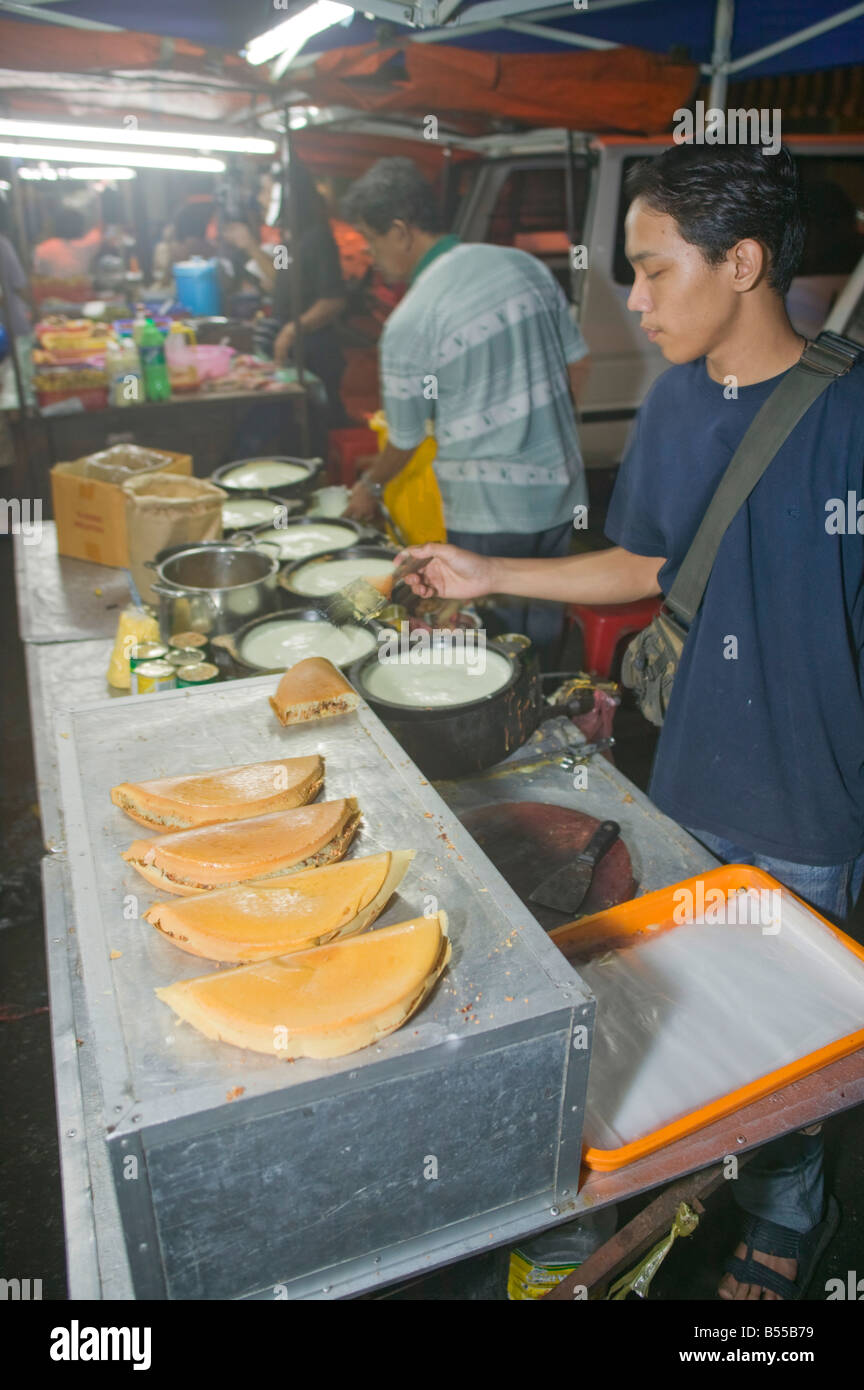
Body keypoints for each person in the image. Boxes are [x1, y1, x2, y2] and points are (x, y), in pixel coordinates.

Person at [398, 141, 864, 1300]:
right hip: (694, 771)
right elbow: (646, 562)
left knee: (790, 1041)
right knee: (691, 1018)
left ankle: (785, 1220)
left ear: (742, 261)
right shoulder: (667, 405)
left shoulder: (854, 413)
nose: (637, 302)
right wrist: (485, 573)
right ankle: (683, 1196)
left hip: (817, 794)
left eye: (655, 272)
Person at [340, 156, 591, 651]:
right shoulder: (525, 265)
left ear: (400, 230)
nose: (371, 256)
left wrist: (369, 485)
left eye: (371, 241)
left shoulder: (411, 319)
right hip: (561, 492)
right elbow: (577, 366)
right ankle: (551, 712)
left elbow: (406, 438)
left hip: (487, 514)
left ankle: (511, 722)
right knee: (542, 628)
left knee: (493, 644)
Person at [33, 207, 101, 279]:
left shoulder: (42, 248)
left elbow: (39, 273)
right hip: (80, 288)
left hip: (52, 289)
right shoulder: (86, 245)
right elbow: (97, 232)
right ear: (81, 227)